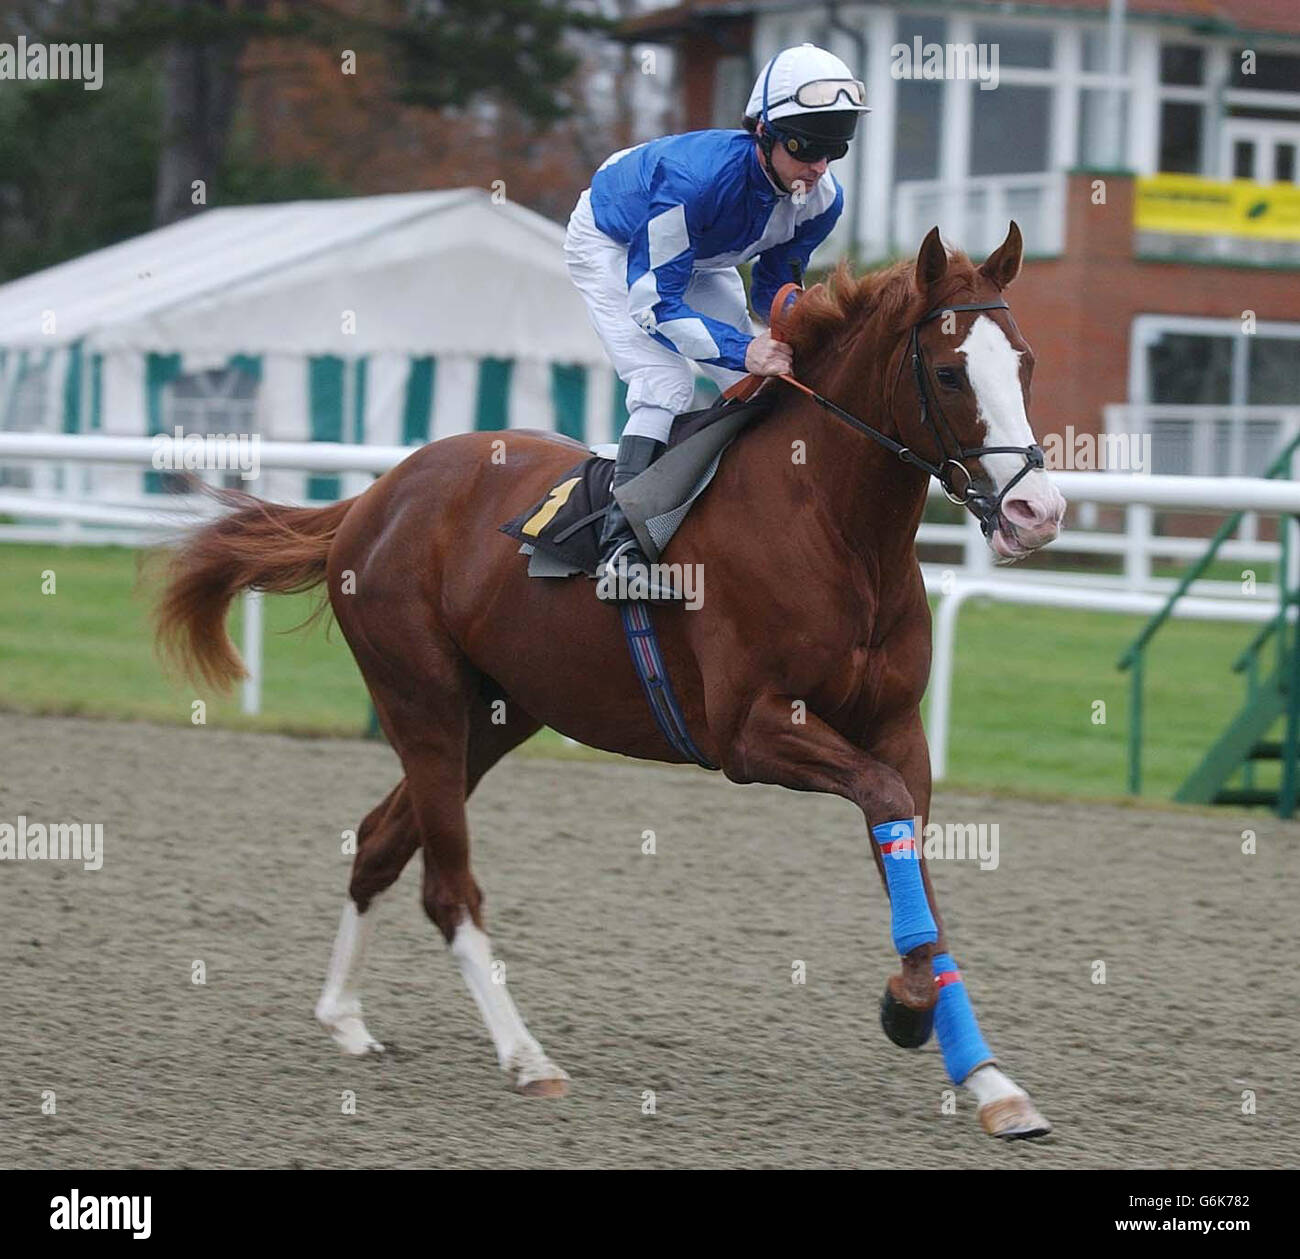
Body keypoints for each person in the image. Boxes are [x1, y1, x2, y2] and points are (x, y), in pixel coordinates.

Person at [562, 42, 869, 601]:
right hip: (613, 243)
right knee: (666, 383)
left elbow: (773, 291)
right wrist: (744, 348)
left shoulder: (822, 198)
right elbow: (654, 302)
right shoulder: (694, 180)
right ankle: (621, 550)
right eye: (807, 148)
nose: (819, 168)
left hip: (704, 257)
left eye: (835, 150)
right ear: (764, 134)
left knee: (757, 388)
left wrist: (817, 326)